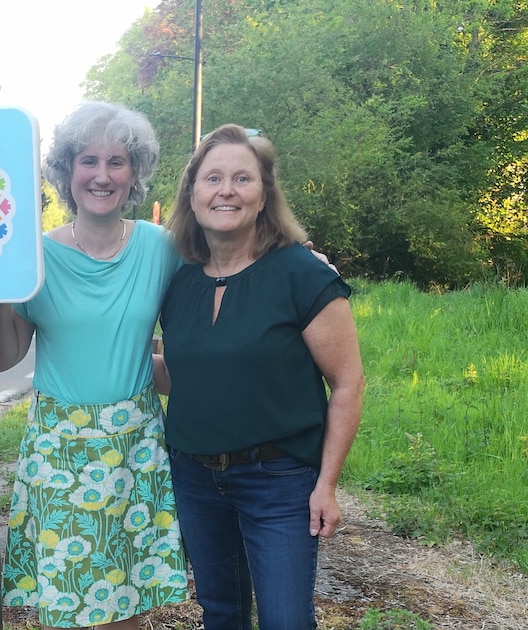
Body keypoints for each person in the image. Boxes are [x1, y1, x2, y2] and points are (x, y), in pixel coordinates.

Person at [158, 124, 365, 630]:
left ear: (264, 194)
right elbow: (185, 374)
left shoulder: (301, 273)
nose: (225, 190)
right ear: (192, 193)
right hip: (195, 476)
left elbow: (348, 383)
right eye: (212, 178)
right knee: (222, 612)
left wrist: (328, 484)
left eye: (241, 178)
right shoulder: (177, 278)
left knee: (286, 620)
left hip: (279, 480)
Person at [0, 101, 189, 629]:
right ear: (66, 171)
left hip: (134, 449)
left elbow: (221, 292)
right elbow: (7, 355)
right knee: (67, 607)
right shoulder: (32, 256)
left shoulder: (162, 248)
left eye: (117, 161)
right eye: (88, 160)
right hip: (59, 450)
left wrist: (299, 262)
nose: (102, 175)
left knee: (125, 603)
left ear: (135, 173)